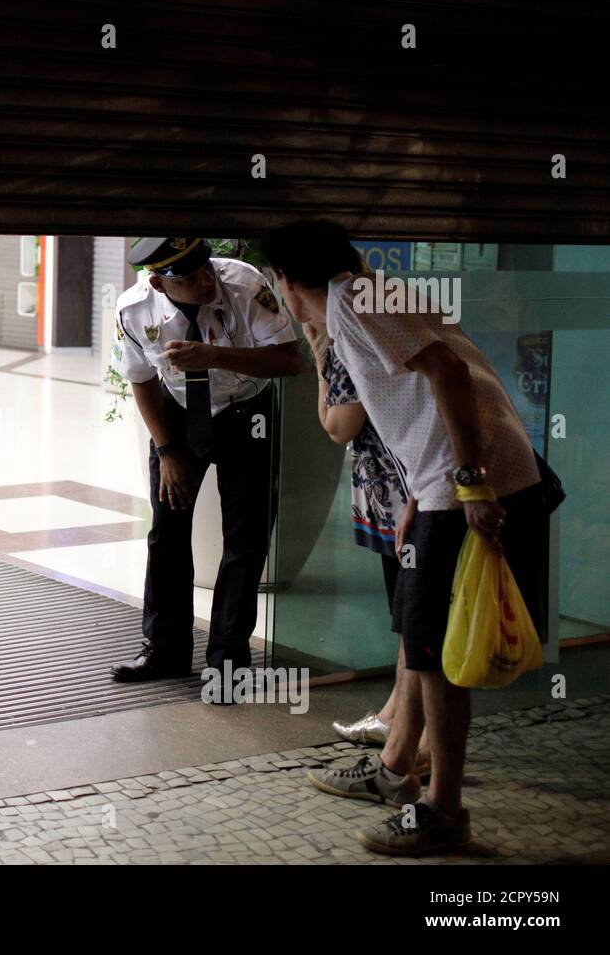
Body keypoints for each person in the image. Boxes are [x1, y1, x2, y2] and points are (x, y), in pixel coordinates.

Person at [265, 220, 549, 855]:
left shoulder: (356, 302)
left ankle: (442, 808)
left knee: (432, 657)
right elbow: (428, 392)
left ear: (284, 279)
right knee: (424, 645)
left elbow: (450, 371)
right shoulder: (369, 295)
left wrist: (468, 483)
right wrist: (422, 491)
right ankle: (399, 774)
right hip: (446, 487)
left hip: (467, 486)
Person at [109, 237, 303, 693]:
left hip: (246, 414)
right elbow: (140, 380)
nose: (205, 281)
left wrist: (212, 356)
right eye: (189, 278)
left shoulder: (243, 283)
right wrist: (167, 451)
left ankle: (228, 663)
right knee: (167, 533)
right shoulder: (134, 309)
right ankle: (165, 650)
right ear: (158, 283)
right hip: (176, 417)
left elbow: (289, 360)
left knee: (246, 535)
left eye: (205, 270)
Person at [300, 314, 430, 782]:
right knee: (409, 617)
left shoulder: (349, 337)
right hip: (404, 497)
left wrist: (319, 360)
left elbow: (339, 425)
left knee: (419, 622)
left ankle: (418, 748)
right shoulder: (384, 325)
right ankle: (395, 721)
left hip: (407, 501)